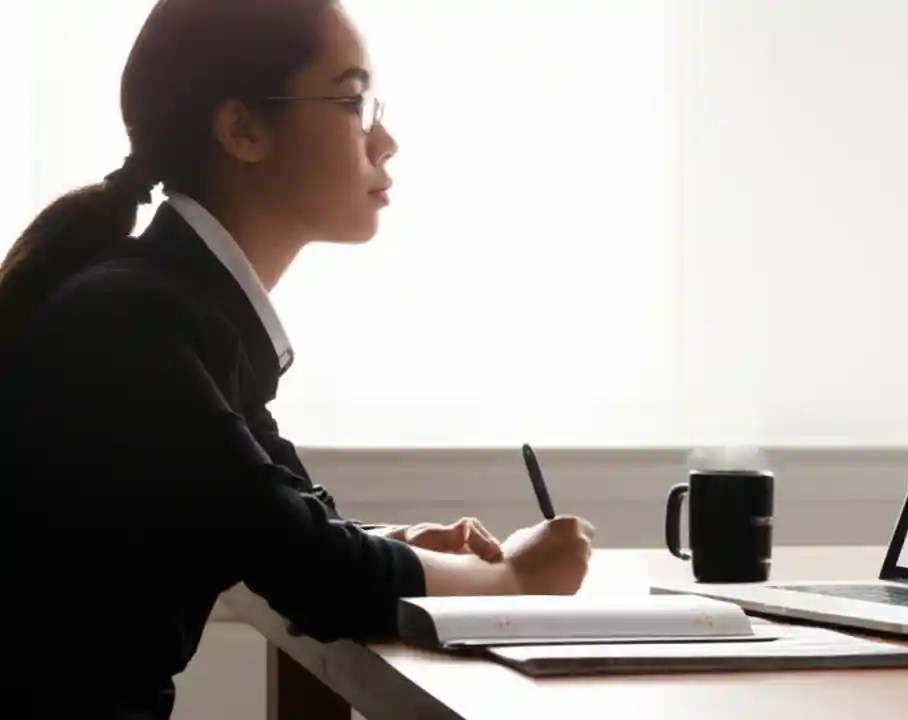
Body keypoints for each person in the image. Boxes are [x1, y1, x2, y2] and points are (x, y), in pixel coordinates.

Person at [0, 1, 594, 717]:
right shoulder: (137, 324)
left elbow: (281, 517)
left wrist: (400, 546)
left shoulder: (181, 313)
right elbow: (316, 575)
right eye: (350, 102)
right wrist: (517, 579)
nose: (386, 141)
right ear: (243, 130)